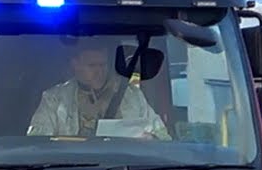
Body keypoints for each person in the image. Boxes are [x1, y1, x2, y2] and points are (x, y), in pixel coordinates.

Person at [28, 41, 170, 140]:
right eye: (92, 66)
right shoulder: (55, 99)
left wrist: (151, 139)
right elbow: (38, 143)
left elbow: (163, 138)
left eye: (102, 65)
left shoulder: (131, 95)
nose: (99, 71)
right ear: (75, 65)